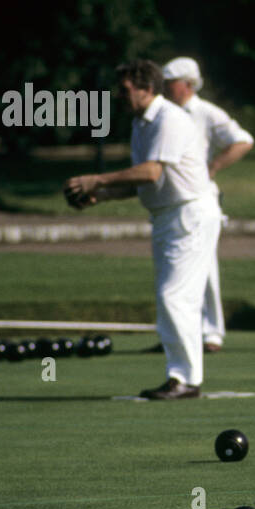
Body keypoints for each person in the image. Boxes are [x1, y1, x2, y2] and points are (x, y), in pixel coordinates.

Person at [64, 59, 219, 399]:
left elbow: (150, 172)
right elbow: (144, 182)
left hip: (189, 214)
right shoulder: (141, 124)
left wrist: (97, 178)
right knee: (175, 297)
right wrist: (100, 195)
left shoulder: (170, 119)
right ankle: (182, 377)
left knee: (174, 296)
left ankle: (185, 379)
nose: (119, 97)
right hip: (166, 216)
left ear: (147, 89)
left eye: (125, 90)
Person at [161, 57, 255, 354]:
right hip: (170, 198)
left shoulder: (205, 112)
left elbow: (242, 140)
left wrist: (212, 166)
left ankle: (211, 333)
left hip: (199, 197)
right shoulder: (164, 113)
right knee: (172, 270)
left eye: (169, 83)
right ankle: (177, 332)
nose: (164, 88)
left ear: (187, 84)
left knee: (205, 266)